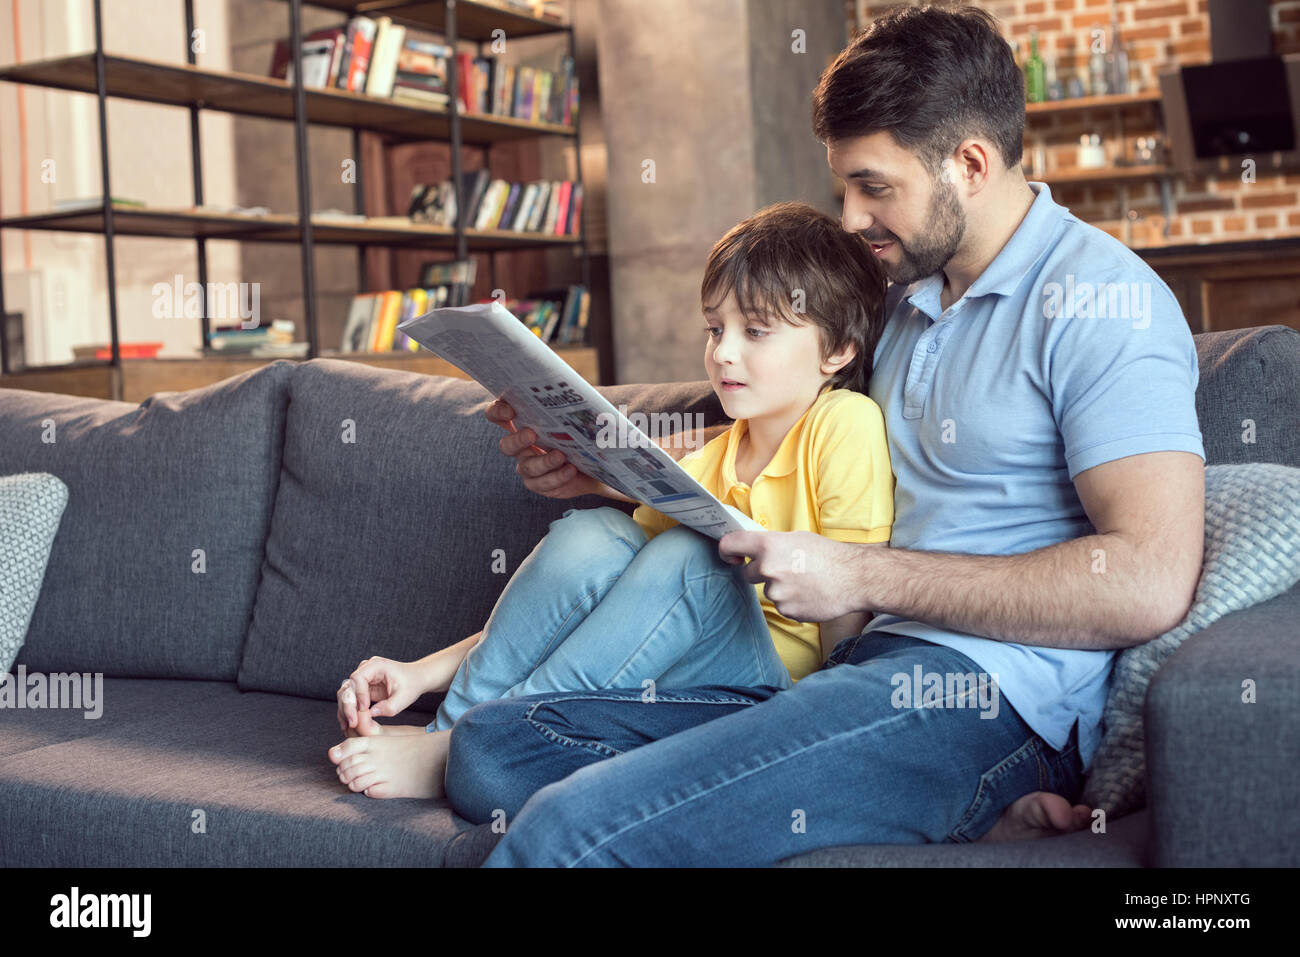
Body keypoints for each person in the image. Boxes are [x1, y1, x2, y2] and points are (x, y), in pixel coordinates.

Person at [440, 3, 1205, 866]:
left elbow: (1147, 579)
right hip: (843, 673)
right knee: (491, 749)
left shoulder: (1106, 303)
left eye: (875, 186)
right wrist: (598, 471)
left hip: (981, 699)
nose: (849, 216)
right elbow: (766, 445)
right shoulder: (898, 300)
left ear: (971, 164)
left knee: (563, 831)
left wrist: (857, 571)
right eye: (845, 184)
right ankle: (931, 818)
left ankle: (919, 799)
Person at [327, 201, 895, 799]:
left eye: (756, 331)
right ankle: (452, 727)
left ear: (838, 351)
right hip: (678, 674)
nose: (724, 352)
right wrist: (421, 673)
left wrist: (826, 747)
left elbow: (848, 629)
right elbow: (596, 608)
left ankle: (471, 745)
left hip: (767, 692)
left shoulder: (844, 423)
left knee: (688, 557)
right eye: (714, 328)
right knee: (595, 533)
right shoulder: (710, 457)